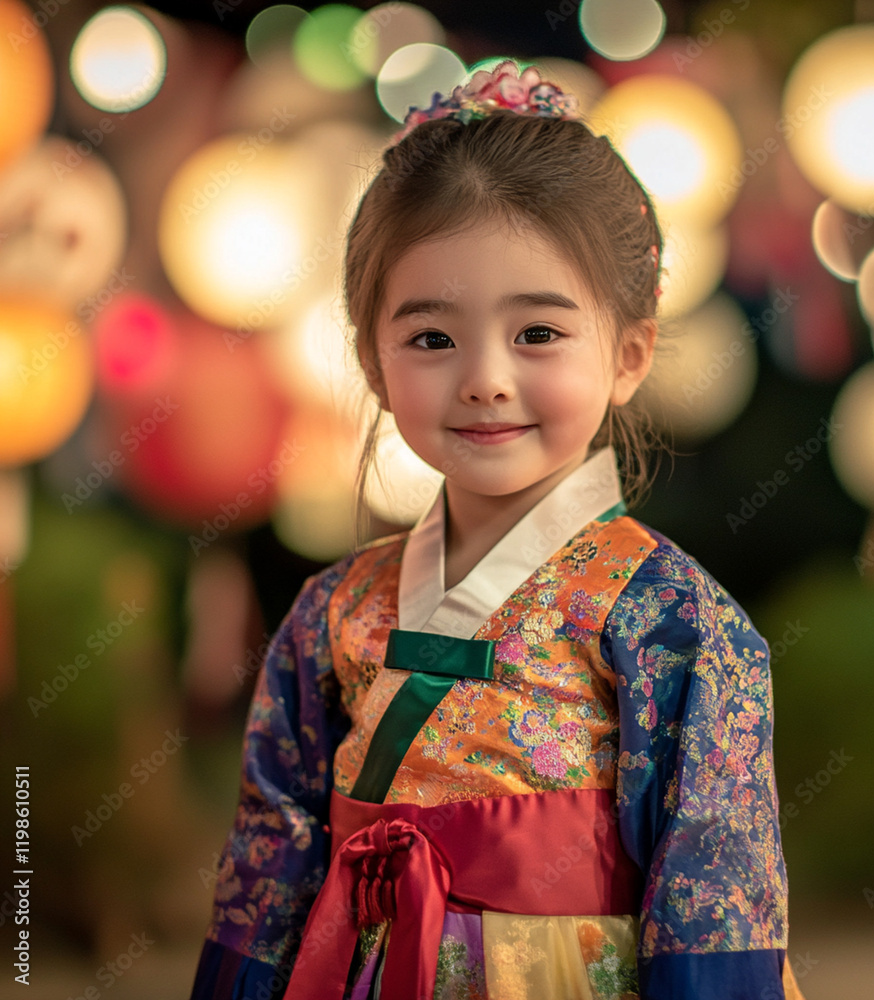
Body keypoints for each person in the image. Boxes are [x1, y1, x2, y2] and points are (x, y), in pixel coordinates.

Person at [188, 61, 805, 1000]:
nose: (484, 378)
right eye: (431, 338)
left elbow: (716, 890)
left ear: (630, 352)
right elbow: (266, 871)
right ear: (371, 356)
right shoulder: (332, 611)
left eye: (538, 334)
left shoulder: (676, 622)